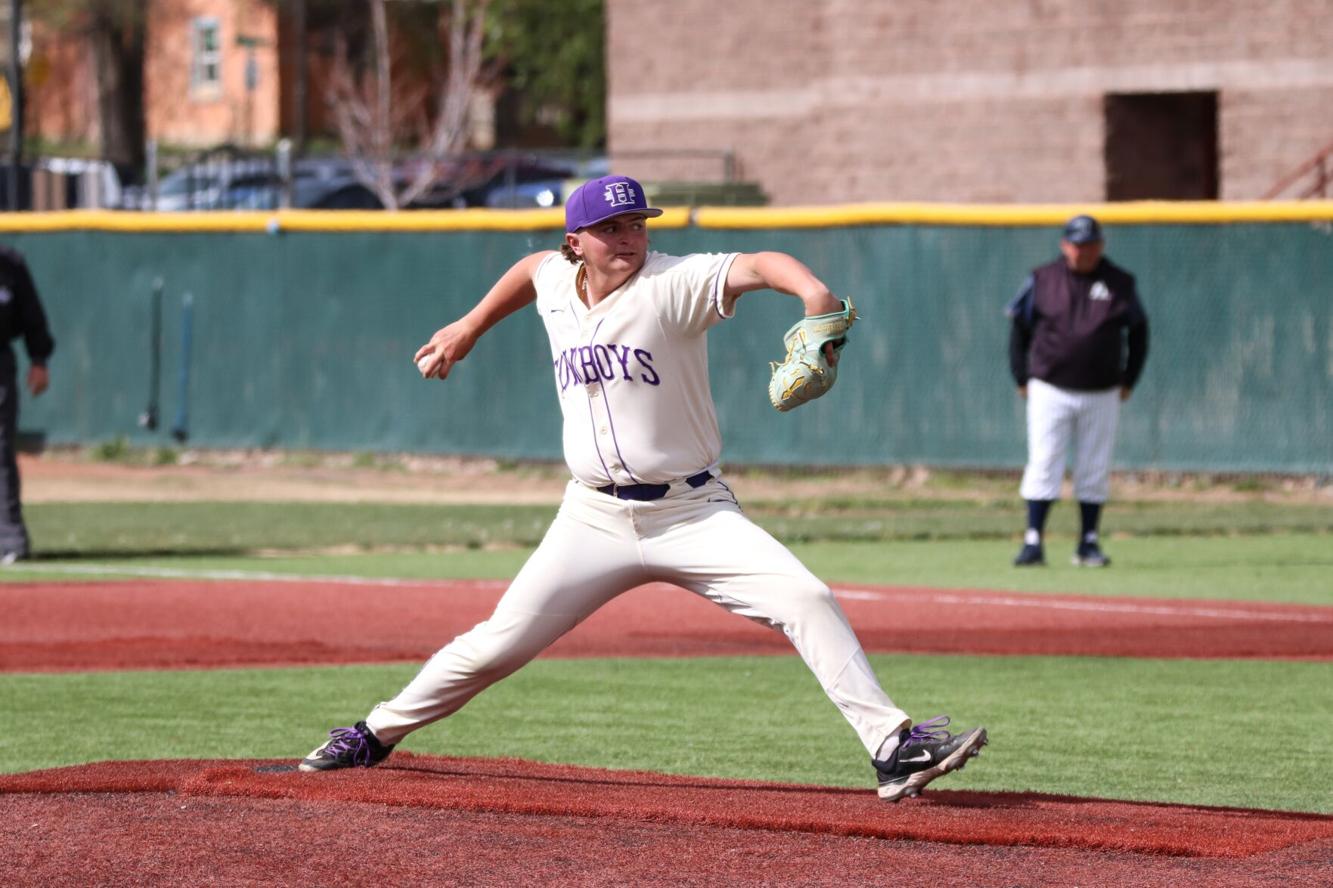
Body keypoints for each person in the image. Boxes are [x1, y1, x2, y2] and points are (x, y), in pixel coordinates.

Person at [299, 174, 987, 802]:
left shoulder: (673, 283)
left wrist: (813, 298)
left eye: (636, 225)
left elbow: (758, 265)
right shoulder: (553, 280)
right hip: (591, 518)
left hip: (691, 511)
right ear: (576, 243)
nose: (628, 239)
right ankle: (373, 734)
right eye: (611, 229)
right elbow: (527, 270)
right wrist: (470, 325)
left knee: (805, 597)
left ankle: (892, 749)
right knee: (496, 644)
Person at [1006, 214, 1149, 568]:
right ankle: (1033, 540)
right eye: (1076, 243)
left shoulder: (1120, 283)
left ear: (1100, 245)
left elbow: (1140, 332)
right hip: (1050, 386)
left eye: (1089, 244)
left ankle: (1088, 542)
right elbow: (1018, 329)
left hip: (1102, 389)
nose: (1082, 251)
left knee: (1094, 466)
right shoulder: (1043, 279)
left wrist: (1129, 379)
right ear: (1064, 244)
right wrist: (1022, 377)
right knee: (1044, 460)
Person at [0, 244, 54, 564]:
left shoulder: (9, 265)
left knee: (0, 449)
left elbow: (33, 316)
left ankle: (10, 540)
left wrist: (39, 358)